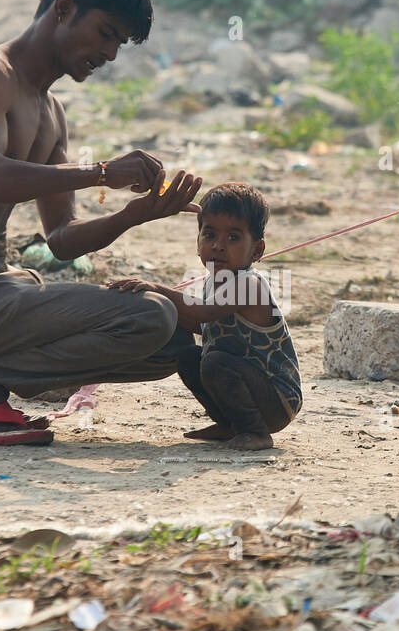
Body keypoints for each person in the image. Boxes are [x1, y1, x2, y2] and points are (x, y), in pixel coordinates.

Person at [0, 0, 201, 445]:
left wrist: (137, 213)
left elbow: (62, 240)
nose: (109, 54)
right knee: (152, 315)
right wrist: (103, 172)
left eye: (119, 44)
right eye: (106, 33)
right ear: (63, 9)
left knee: (171, 344)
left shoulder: (52, 112)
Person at [107, 183, 301, 451]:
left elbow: (205, 312)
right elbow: (204, 324)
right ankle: (230, 423)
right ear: (198, 241)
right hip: (244, 382)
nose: (218, 246)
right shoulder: (215, 281)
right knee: (189, 357)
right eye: (209, 234)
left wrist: (157, 288)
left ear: (257, 250)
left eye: (233, 238)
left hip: (276, 398)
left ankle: (255, 432)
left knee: (215, 362)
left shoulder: (248, 284)